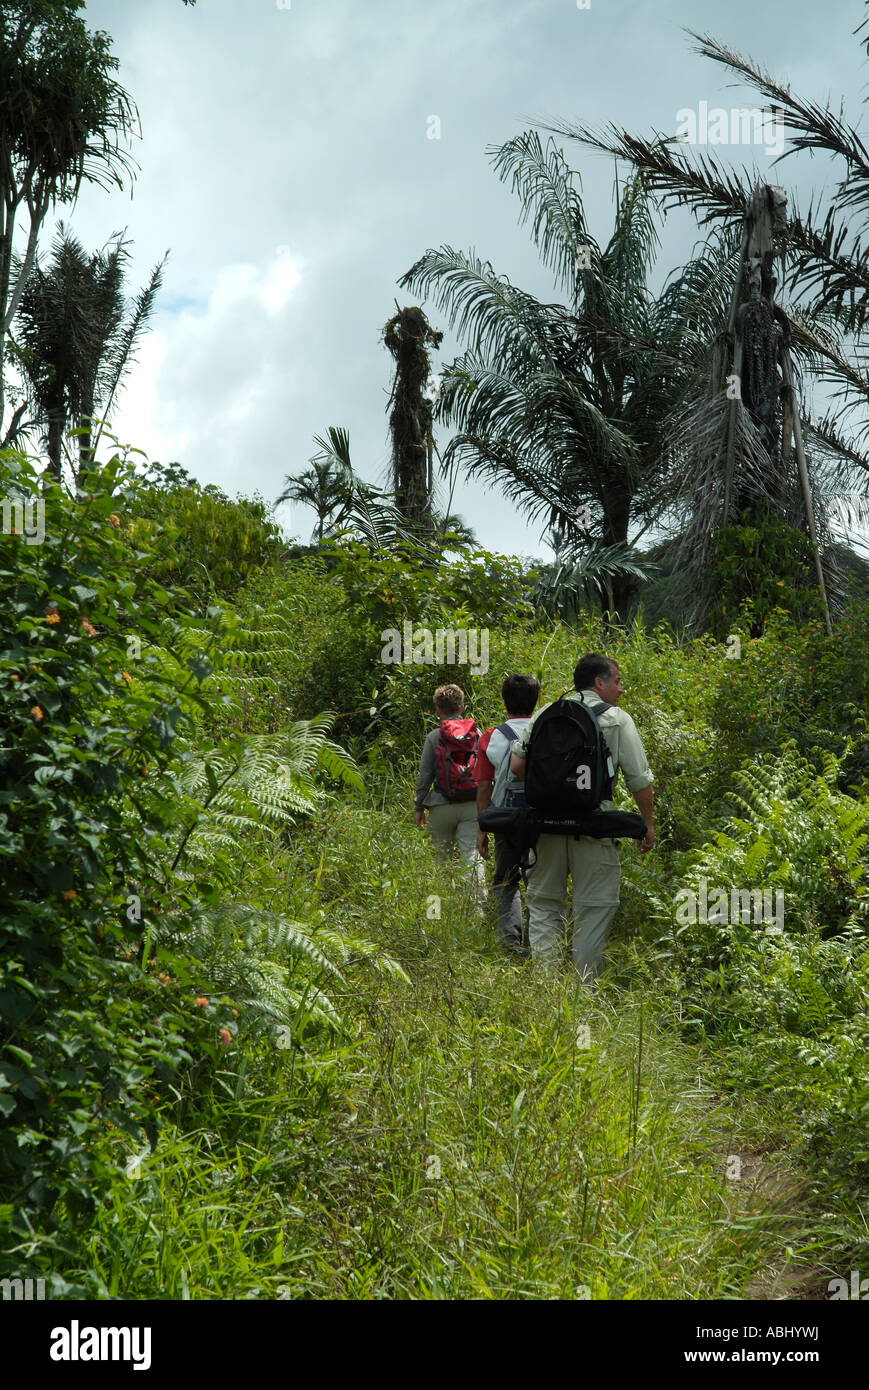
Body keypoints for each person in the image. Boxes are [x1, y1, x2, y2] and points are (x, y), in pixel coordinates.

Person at [510, 653, 655, 981]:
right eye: (617, 681)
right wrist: (648, 823)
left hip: (545, 828)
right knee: (592, 910)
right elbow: (639, 779)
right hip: (594, 829)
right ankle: (582, 993)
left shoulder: (548, 712)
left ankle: (545, 989)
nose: (620, 689)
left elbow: (517, 766)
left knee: (545, 907)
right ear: (599, 683)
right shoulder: (617, 719)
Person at [475, 673, 540, 954]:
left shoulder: (492, 736)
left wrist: (482, 827)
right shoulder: (545, 730)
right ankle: (537, 943)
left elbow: (484, 787)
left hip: (505, 819)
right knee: (538, 882)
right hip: (543, 817)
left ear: (505, 703)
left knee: (506, 880)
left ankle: (510, 943)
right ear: (536, 702)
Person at [414, 683, 484, 892]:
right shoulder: (476, 734)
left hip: (440, 805)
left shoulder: (434, 737)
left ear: (438, 710)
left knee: (440, 858)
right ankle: (476, 910)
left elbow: (425, 776)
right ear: (461, 707)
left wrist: (419, 807)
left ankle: (442, 907)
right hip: (472, 804)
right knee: (471, 854)